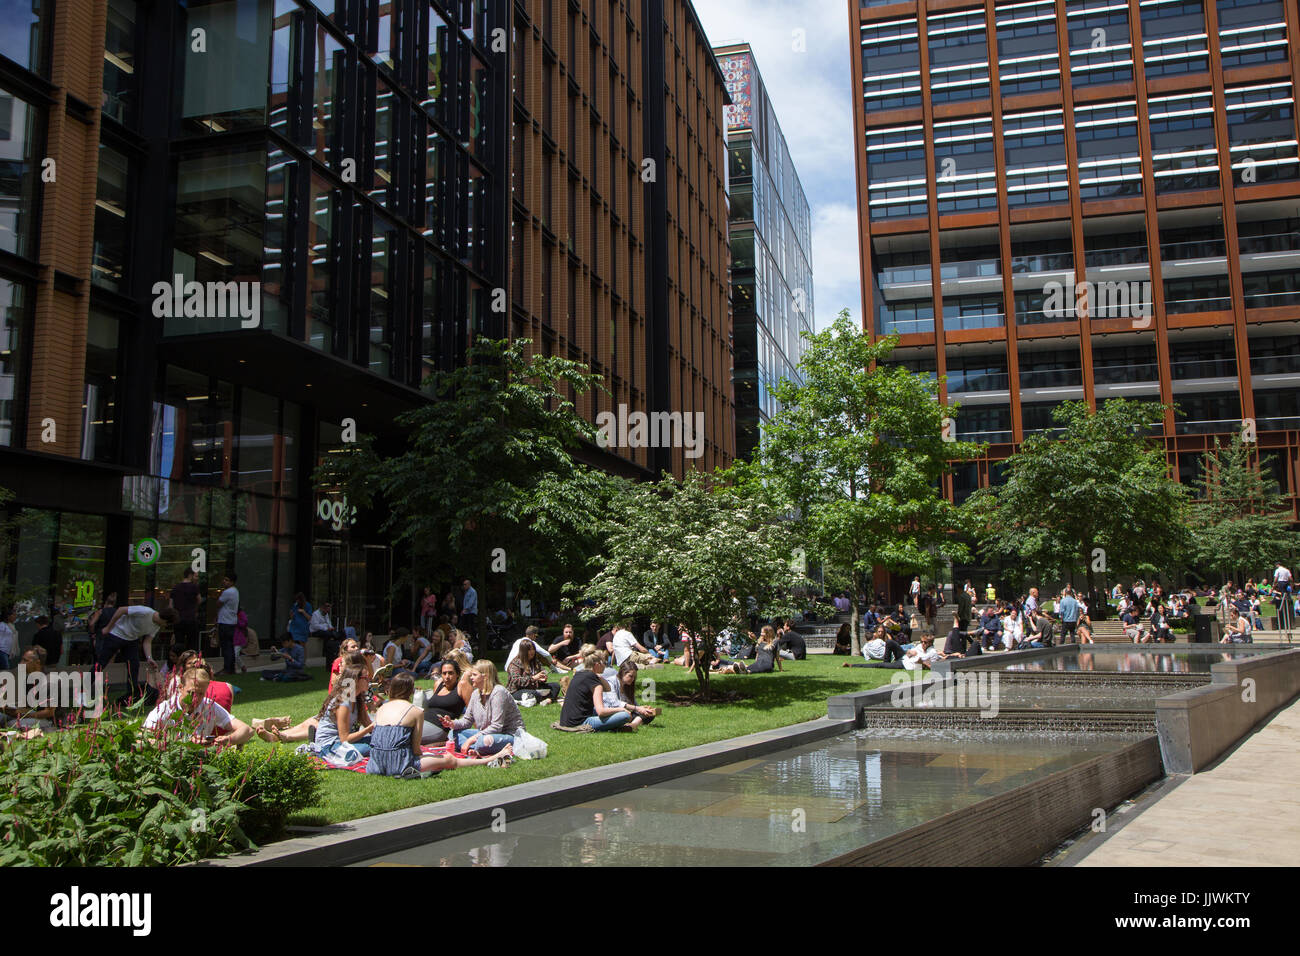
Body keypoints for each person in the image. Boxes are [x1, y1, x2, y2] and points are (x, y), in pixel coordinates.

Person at [365, 673, 505, 777]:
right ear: (411, 691)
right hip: (400, 764)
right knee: (449, 760)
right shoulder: (415, 711)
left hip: (375, 763)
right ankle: (492, 758)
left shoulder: (381, 709)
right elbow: (416, 749)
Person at [143, 659, 253, 748]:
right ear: (180, 688)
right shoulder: (165, 709)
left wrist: (227, 740)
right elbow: (143, 738)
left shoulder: (208, 706)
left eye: (201, 694)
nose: (196, 698)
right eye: (191, 693)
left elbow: (247, 730)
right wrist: (183, 744)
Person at [98, 604, 179, 700]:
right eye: (167, 624)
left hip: (131, 640)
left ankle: (130, 696)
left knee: (134, 666)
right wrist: (108, 627)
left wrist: (149, 658)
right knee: (100, 664)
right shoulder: (145, 612)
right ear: (165, 621)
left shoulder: (156, 626)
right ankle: (83, 690)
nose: (165, 626)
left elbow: (147, 642)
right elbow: (121, 610)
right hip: (117, 634)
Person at [440, 660, 521, 755]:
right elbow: (467, 721)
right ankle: (475, 749)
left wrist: (471, 740)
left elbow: (496, 727)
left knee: (484, 741)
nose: (471, 677)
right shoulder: (475, 694)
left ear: (485, 676)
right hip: (485, 733)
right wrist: (452, 723)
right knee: (452, 733)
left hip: (508, 735)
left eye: (474, 675)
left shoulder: (498, 692)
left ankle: (475, 748)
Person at [557, 648, 645, 731]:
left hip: (566, 720)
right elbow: (601, 712)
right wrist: (621, 709)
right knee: (625, 715)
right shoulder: (594, 682)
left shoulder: (580, 674)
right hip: (580, 722)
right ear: (597, 664)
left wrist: (598, 676)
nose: (606, 666)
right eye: (604, 663)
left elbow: (608, 688)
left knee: (612, 712)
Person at [314, 663, 374, 758]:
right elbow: (345, 738)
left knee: (378, 743)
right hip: (329, 745)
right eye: (366, 678)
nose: (369, 680)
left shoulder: (358, 698)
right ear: (356, 680)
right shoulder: (343, 703)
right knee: (367, 749)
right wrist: (369, 729)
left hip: (343, 743)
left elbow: (367, 722)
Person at [1, 647, 58, 732]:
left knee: (11, 724)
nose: (21, 663)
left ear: (37, 663)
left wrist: (23, 715)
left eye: (25, 661)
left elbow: (49, 712)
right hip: (30, 715)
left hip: (48, 721)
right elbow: (26, 707)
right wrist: (10, 710)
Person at [421, 658, 468, 742]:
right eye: (444, 673)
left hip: (439, 727)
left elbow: (472, 711)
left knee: (409, 736)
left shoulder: (462, 686)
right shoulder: (438, 684)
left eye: (450, 673)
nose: (447, 677)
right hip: (423, 721)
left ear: (457, 674)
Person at [506, 638, 561, 705]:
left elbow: (542, 671)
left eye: (533, 649)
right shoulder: (515, 663)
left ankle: (548, 700)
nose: (532, 651)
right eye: (529, 650)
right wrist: (534, 678)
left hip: (534, 688)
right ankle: (548, 698)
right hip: (517, 690)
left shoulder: (535, 662)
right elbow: (516, 680)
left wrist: (542, 678)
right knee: (534, 694)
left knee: (555, 686)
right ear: (524, 651)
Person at [170, 568, 201, 654]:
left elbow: (170, 605)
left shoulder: (175, 588)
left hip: (178, 619)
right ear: (190, 575)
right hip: (191, 618)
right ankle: (191, 662)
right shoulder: (194, 587)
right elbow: (199, 600)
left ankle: (178, 661)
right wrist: (195, 609)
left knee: (179, 643)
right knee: (192, 643)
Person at [215, 573, 241, 676]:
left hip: (225, 622)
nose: (224, 582)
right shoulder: (235, 591)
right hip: (231, 622)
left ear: (232, 582)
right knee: (229, 646)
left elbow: (218, 603)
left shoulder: (228, 592)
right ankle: (230, 667)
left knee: (226, 646)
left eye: (227, 580)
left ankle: (227, 668)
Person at [310, 601, 341, 668]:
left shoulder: (326, 614)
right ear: (322, 608)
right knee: (327, 634)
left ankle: (334, 648)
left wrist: (331, 627)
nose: (327, 611)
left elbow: (328, 623)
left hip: (325, 630)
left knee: (334, 634)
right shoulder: (315, 614)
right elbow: (315, 626)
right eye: (326, 609)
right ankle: (326, 650)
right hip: (316, 631)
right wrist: (326, 628)